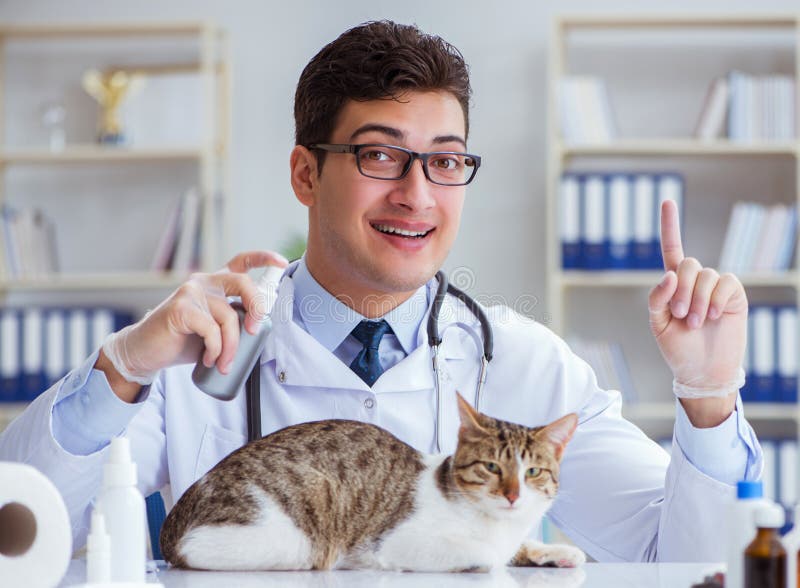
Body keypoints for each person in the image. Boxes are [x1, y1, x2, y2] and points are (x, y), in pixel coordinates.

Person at [0, 20, 759, 563]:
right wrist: (123, 369)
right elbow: (19, 537)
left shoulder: (524, 363)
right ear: (305, 173)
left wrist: (708, 393)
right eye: (380, 155)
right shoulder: (199, 356)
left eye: (445, 161)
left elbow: (693, 563)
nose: (417, 195)